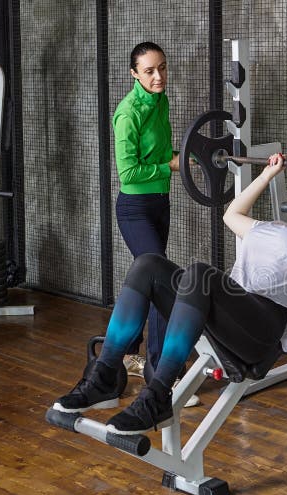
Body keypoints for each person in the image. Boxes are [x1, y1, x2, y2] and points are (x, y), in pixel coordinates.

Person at [52, 153, 287, 434]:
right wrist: (267, 173)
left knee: (200, 274)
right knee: (148, 263)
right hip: (224, 312)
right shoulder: (271, 226)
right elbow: (232, 214)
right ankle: (104, 377)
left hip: (260, 329)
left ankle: (157, 395)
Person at [112, 42, 179, 380]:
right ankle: (159, 373)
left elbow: (162, 153)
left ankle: (127, 355)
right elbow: (130, 173)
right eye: (150, 70)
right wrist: (171, 166)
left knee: (147, 281)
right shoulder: (127, 113)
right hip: (135, 209)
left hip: (159, 204)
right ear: (134, 74)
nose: (158, 76)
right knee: (161, 281)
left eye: (162, 68)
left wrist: (189, 156)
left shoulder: (161, 100)